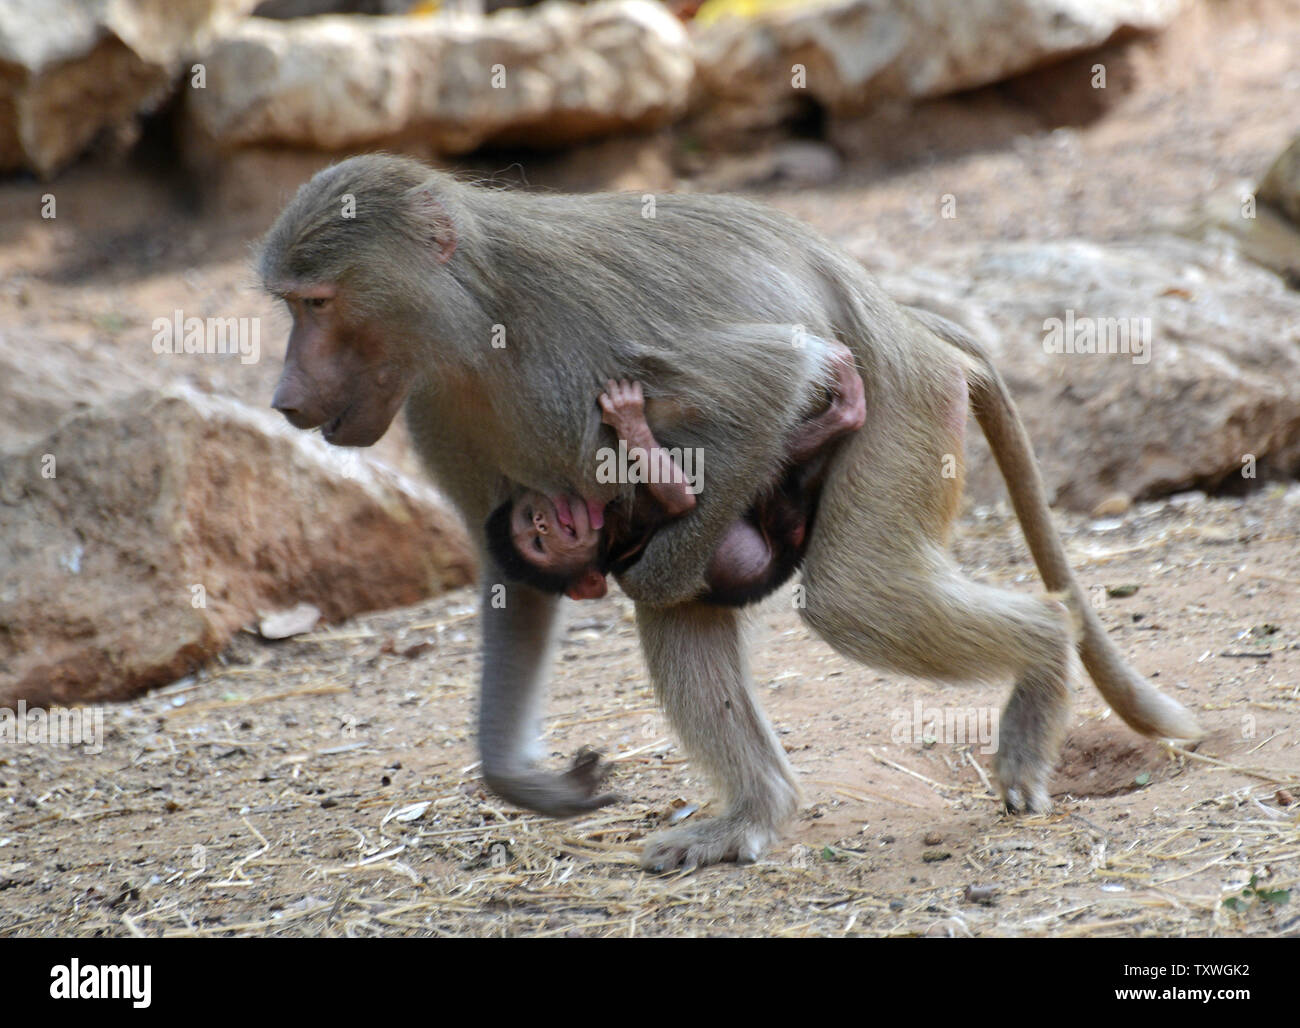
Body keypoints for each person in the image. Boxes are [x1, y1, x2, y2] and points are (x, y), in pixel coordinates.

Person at [485, 342, 866, 605]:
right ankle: (840, 417)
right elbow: (681, 498)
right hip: (767, 536)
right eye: (538, 542)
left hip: (759, 511)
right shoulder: (630, 554)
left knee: (719, 463)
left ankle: (831, 410)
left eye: (527, 515)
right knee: (732, 468)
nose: (540, 523)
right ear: (588, 584)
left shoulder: (611, 500)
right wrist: (633, 427)